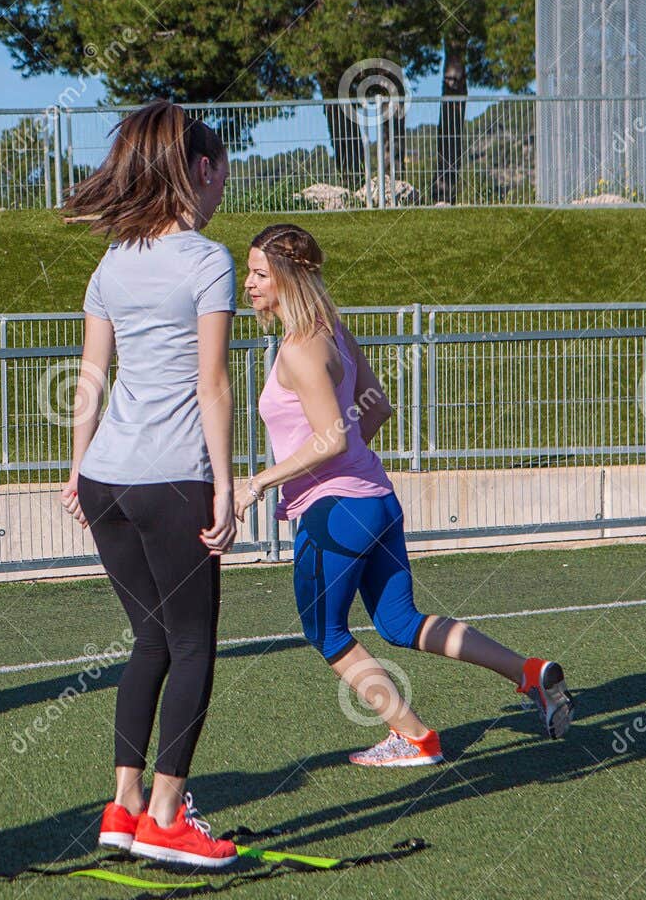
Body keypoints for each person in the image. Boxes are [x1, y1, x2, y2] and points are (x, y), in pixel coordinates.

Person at [237, 223, 574, 767]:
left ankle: (413, 736)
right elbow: (375, 407)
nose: (247, 283)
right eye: (247, 271)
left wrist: (258, 483)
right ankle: (527, 672)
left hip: (338, 513)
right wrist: (343, 464)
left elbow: (330, 436)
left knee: (324, 632)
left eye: (258, 273)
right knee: (398, 622)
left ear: (289, 278)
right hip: (376, 501)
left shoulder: (300, 348)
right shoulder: (333, 332)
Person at [60, 100, 240, 869]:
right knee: (193, 643)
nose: (223, 189)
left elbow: (89, 380)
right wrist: (226, 487)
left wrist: (76, 465)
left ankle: (123, 803)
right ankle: (167, 814)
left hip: (106, 481)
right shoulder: (207, 260)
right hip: (172, 479)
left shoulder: (112, 262)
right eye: (223, 175)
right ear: (201, 171)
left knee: (149, 641)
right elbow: (213, 384)